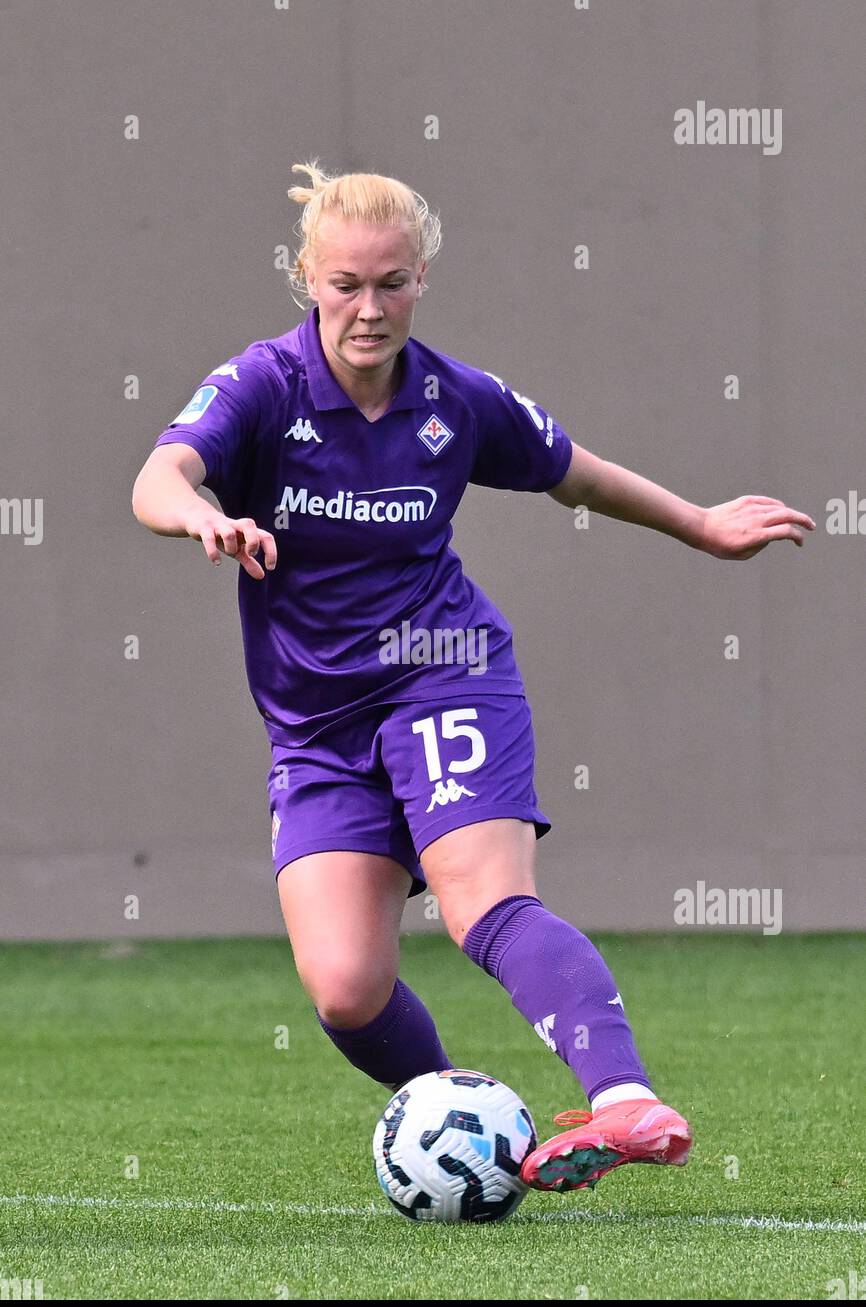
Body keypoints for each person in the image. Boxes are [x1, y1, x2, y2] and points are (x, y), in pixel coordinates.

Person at [132, 160, 816, 1194]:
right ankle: (483, 1125)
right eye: (344, 285)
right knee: (346, 988)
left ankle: (625, 1099)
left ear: (420, 280)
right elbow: (160, 473)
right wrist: (203, 516)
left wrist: (701, 524)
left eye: (391, 283)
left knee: (480, 903)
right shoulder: (263, 389)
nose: (368, 308)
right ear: (305, 279)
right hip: (317, 728)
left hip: (445, 675)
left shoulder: (453, 399)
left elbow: (572, 469)